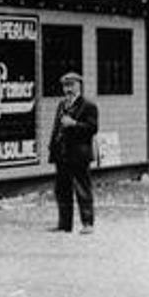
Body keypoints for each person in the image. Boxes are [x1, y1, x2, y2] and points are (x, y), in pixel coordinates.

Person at [48, 72, 98, 234]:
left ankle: (88, 223)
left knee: (83, 189)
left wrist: (74, 124)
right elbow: (57, 128)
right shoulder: (62, 105)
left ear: (79, 86)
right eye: (65, 85)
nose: (67, 89)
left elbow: (92, 128)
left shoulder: (88, 105)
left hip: (79, 154)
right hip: (62, 154)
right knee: (62, 190)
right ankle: (64, 224)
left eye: (71, 85)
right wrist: (52, 146)